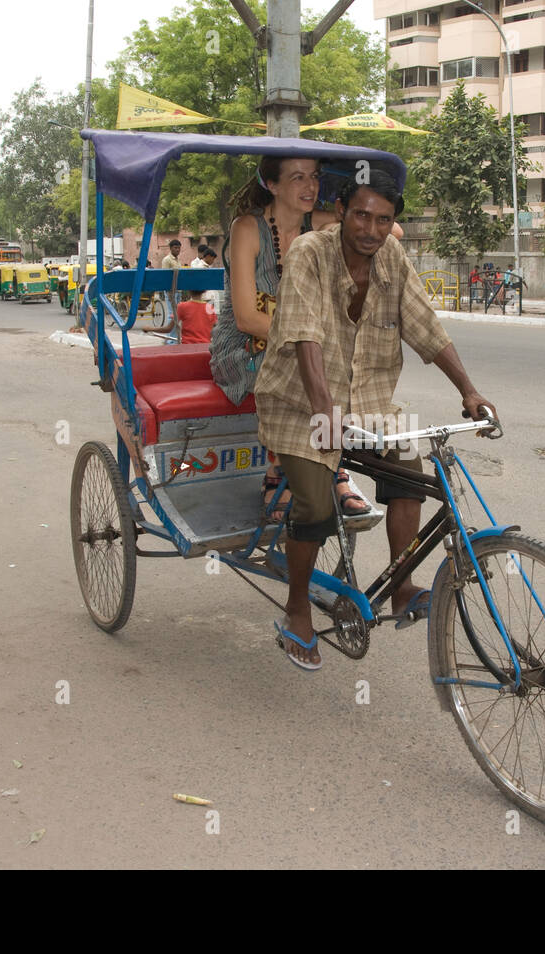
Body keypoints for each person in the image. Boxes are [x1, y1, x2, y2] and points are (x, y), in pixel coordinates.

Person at [255, 170, 495, 671]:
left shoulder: (391, 257)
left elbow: (426, 327)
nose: (371, 228)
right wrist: (324, 413)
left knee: (409, 471)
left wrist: (469, 391)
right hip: (299, 403)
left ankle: (402, 584)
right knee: (316, 508)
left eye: (383, 219)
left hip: (366, 403)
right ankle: (297, 610)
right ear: (341, 210)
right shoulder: (309, 253)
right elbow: (305, 337)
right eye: (361, 214)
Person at [210, 154, 372, 523]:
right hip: (245, 346)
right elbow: (248, 318)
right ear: (272, 185)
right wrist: (309, 340)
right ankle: (279, 471)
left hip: (301, 341)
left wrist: (351, 215)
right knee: (301, 369)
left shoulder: (318, 223)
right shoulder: (247, 229)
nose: (310, 186)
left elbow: (388, 231)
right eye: (297, 178)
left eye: (314, 176)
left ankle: (331, 465)